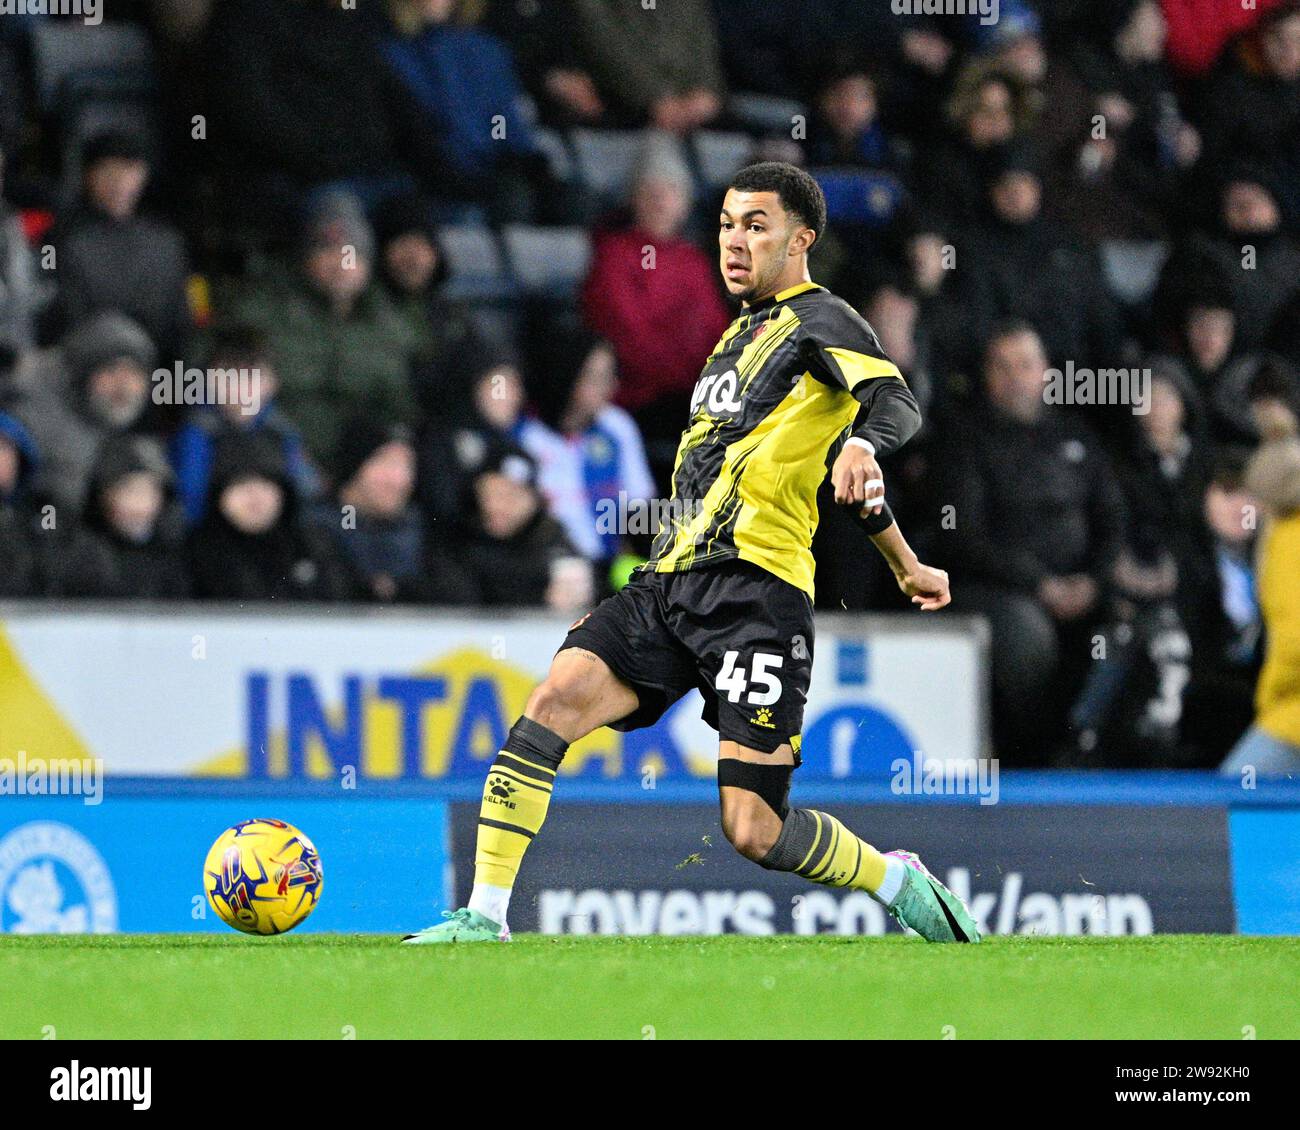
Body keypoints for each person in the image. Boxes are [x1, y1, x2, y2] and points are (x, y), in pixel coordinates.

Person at [403, 163, 980, 945]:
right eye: (727, 225)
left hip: (756, 597)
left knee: (753, 828)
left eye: (756, 226)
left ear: (800, 239)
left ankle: (893, 879)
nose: (735, 243)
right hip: (670, 582)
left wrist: (867, 447)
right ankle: (485, 918)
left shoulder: (824, 320)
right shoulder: (735, 335)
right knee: (554, 700)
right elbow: (826, 473)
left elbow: (895, 404)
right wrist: (904, 560)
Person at [1220, 403, 1300, 775]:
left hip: (1292, 717)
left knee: (1233, 795)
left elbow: (1294, 642)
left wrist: (1272, 699)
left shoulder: (1287, 541)